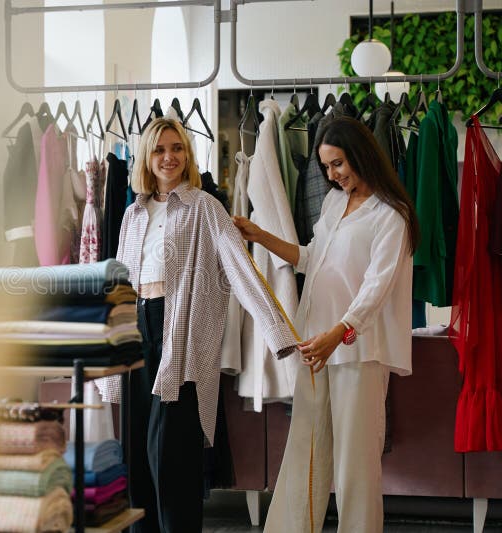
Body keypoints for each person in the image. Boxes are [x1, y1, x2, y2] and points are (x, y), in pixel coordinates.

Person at [96, 118, 297, 533]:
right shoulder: (133, 213)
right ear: (146, 158)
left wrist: (278, 331)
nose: (169, 157)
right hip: (134, 329)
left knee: (171, 454)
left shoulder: (205, 207)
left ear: (187, 155)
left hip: (179, 334)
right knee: (136, 453)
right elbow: (118, 282)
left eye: (177, 148)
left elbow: (241, 269)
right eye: (159, 150)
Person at [234, 116, 419, 533]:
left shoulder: (392, 215)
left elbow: (377, 288)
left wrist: (340, 333)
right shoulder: (335, 202)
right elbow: (311, 257)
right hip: (317, 343)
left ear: (360, 155)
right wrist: (260, 235)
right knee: (307, 447)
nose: (332, 175)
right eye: (326, 167)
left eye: (338, 164)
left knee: (356, 462)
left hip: (357, 349)